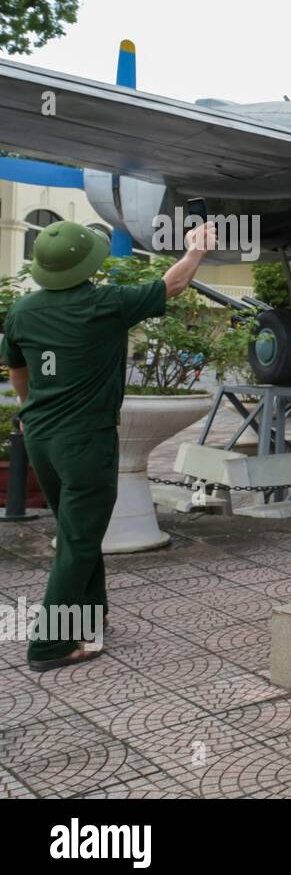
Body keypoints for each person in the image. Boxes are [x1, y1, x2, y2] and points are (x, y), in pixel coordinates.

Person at [4, 220, 213, 670]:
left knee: (79, 531)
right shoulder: (104, 303)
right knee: (77, 541)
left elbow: (17, 371)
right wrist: (195, 248)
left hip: (40, 436)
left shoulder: (22, 310)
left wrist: (30, 409)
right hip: (86, 441)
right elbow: (172, 283)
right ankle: (48, 645)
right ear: (88, 264)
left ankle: (90, 615)